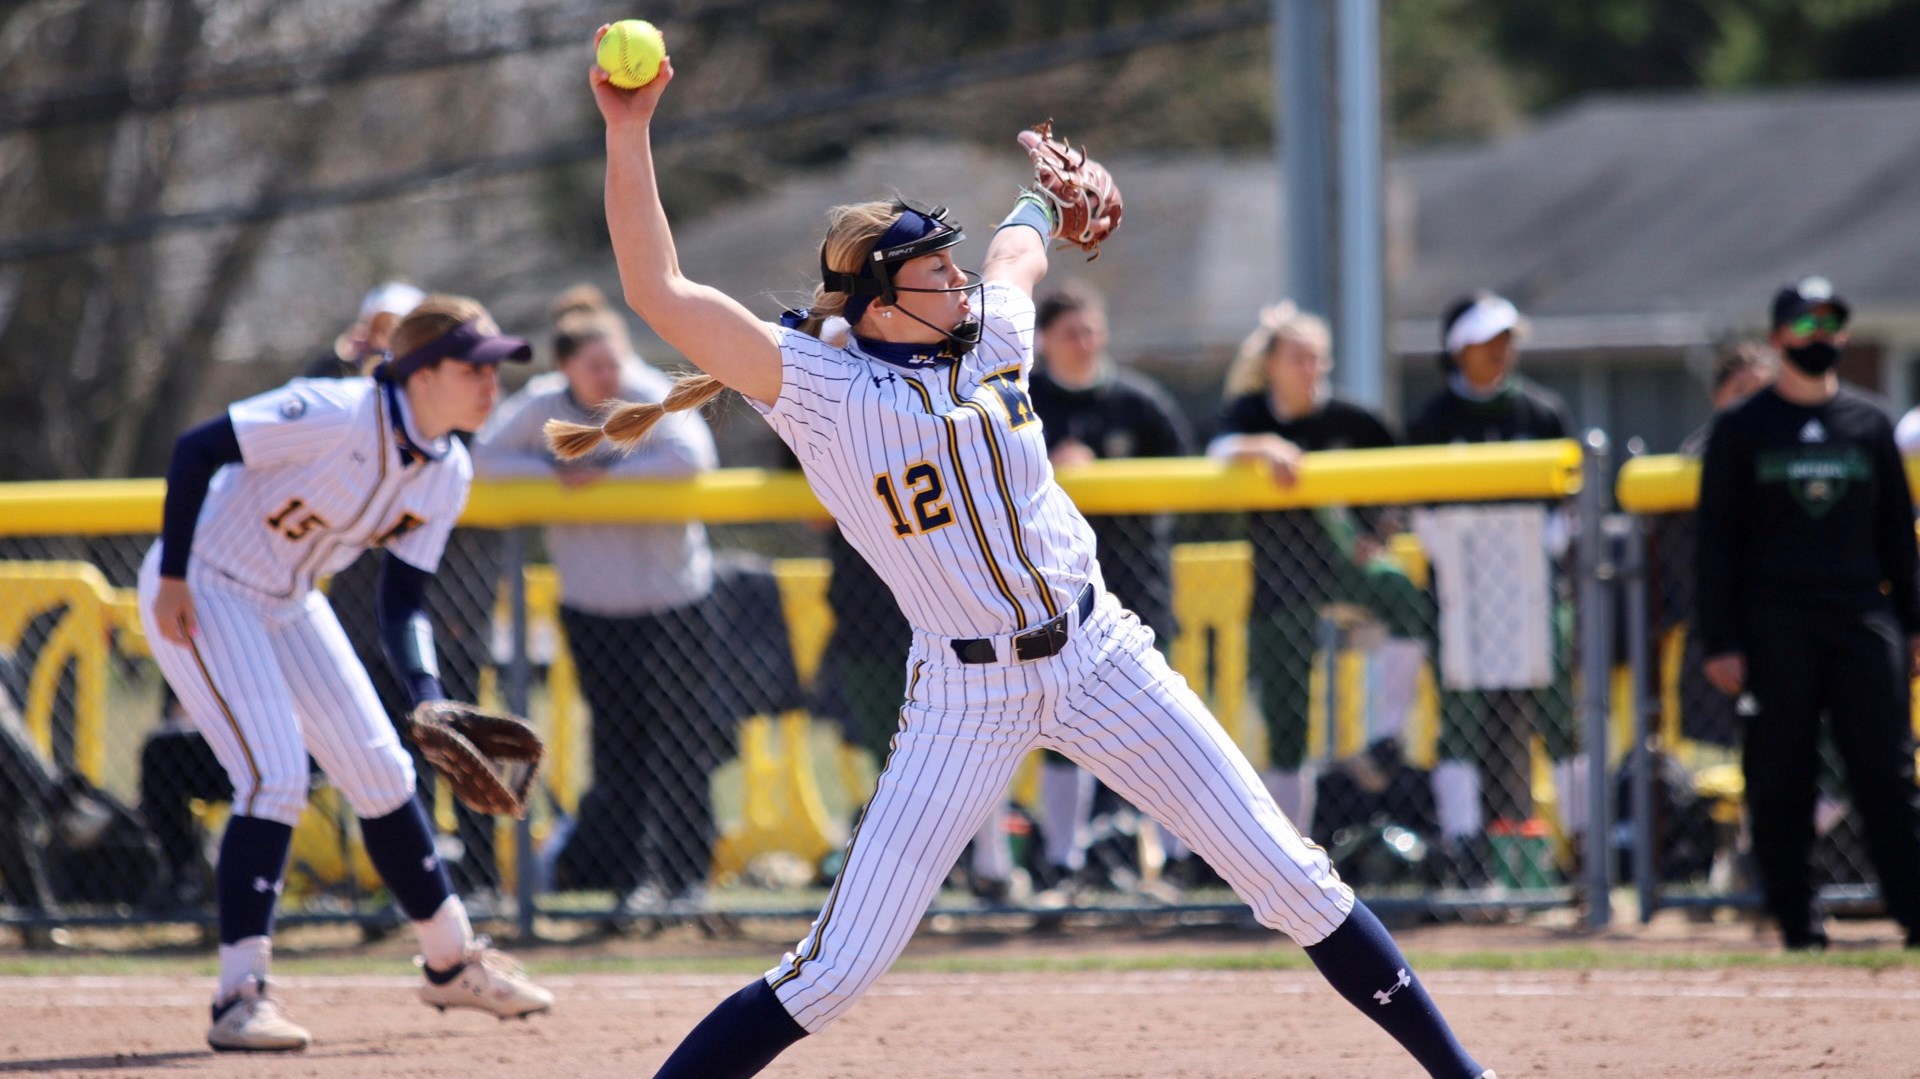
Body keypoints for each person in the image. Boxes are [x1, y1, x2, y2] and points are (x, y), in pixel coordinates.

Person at [547, 34, 1493, 1079]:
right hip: (965, 693)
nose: (957, 280)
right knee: (832, 971)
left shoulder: (992, 330)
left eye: (952, 266)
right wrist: (629, 129)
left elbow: (1014, 252)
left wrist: (1050, 194)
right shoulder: (817, 387)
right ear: (879, 300)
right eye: (933, 272)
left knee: (1295, 880)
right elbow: (659, 288)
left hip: (1099, 655)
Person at [138, 295, 553, 1052]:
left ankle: (451, 962)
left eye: (496, 370)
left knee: (384, 772)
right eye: (475, 369)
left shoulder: (447, 470)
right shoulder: (335, 411)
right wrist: (171, 578)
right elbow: (197, 448)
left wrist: (428, 698)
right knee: (272, 777)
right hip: (204, 583)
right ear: (423, 373)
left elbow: (403, 601)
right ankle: (239, 997)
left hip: (290, 600)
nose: (492, 384)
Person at [473, 284, 721, 910]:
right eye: (595, 366)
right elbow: (483, 459)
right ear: (566, 369)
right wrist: (554, 476)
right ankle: (630, 880)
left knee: (683, 741)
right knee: (618, 746)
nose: (610, 374)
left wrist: (603, 479)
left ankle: (687, 879)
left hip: (673, 603)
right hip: (593, 607)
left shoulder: (648, 392)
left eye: (614, 361)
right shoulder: (543, 404)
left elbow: (693, 460)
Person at [1694, 276, 1920, 951]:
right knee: (1781, 776)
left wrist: (1914, 624)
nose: (1818, 336)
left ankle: (1914, 912)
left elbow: (1897, 537)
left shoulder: (1869, 422)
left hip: (1861, 618)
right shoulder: (1742, 428)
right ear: (1776, 337)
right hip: (1775, 624)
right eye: (1803, 324)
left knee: (1887, 771)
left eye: (1829, 323)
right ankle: (1799, 922)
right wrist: (1721, 638)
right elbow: (1716, 542)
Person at [309, 282, 507, 899]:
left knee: (460, 749)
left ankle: (478, 878)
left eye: (398, 329)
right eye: (379, 327)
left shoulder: (449, 422)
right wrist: (347, 360)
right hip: (360, 614)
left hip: (442, 613)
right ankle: (410, 884)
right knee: (389, 757)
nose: (385, 340)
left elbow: (453, 453)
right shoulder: (350, 400)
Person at [1405, 292, 1578, 885]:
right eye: (1487, 340)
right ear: (1459, 350)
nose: (1501, 351)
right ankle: (1463, 847)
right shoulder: (1432, 421)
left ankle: (1582, 845)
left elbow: (1566, 506)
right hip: (1461, 593)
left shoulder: (1541, 412)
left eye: (1507, 339)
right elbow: (1421, 512)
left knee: (1558, 713)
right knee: (1460, 718)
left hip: (1531, 588)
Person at [1026, 281, 1194, 893]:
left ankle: (1174, 859)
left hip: (1136, 580)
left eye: (1092, 329)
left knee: (1156, 721)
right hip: (1054, 591)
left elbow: (1188, 476)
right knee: (1058, 727)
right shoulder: (1023, 401)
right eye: (1071, 332)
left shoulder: (1138, 403)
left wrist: (1113, 476)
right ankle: (1062, 863)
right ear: (1043, 340)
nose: (1085, 342)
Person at [1208, 301, 1397, 833]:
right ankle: (1291, 847)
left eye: (1317, 359)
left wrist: (1378, 531)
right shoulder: (1252, 413)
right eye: (1298, 358)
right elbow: (1217, 448)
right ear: (1271, 363)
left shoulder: (1348, 418)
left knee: (1402, 596)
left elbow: (1398, 474)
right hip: (1280, 581)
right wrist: (1264, 447)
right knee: (1287, 719)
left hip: (1341, 566)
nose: (1310, 370)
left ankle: (1384, 738)